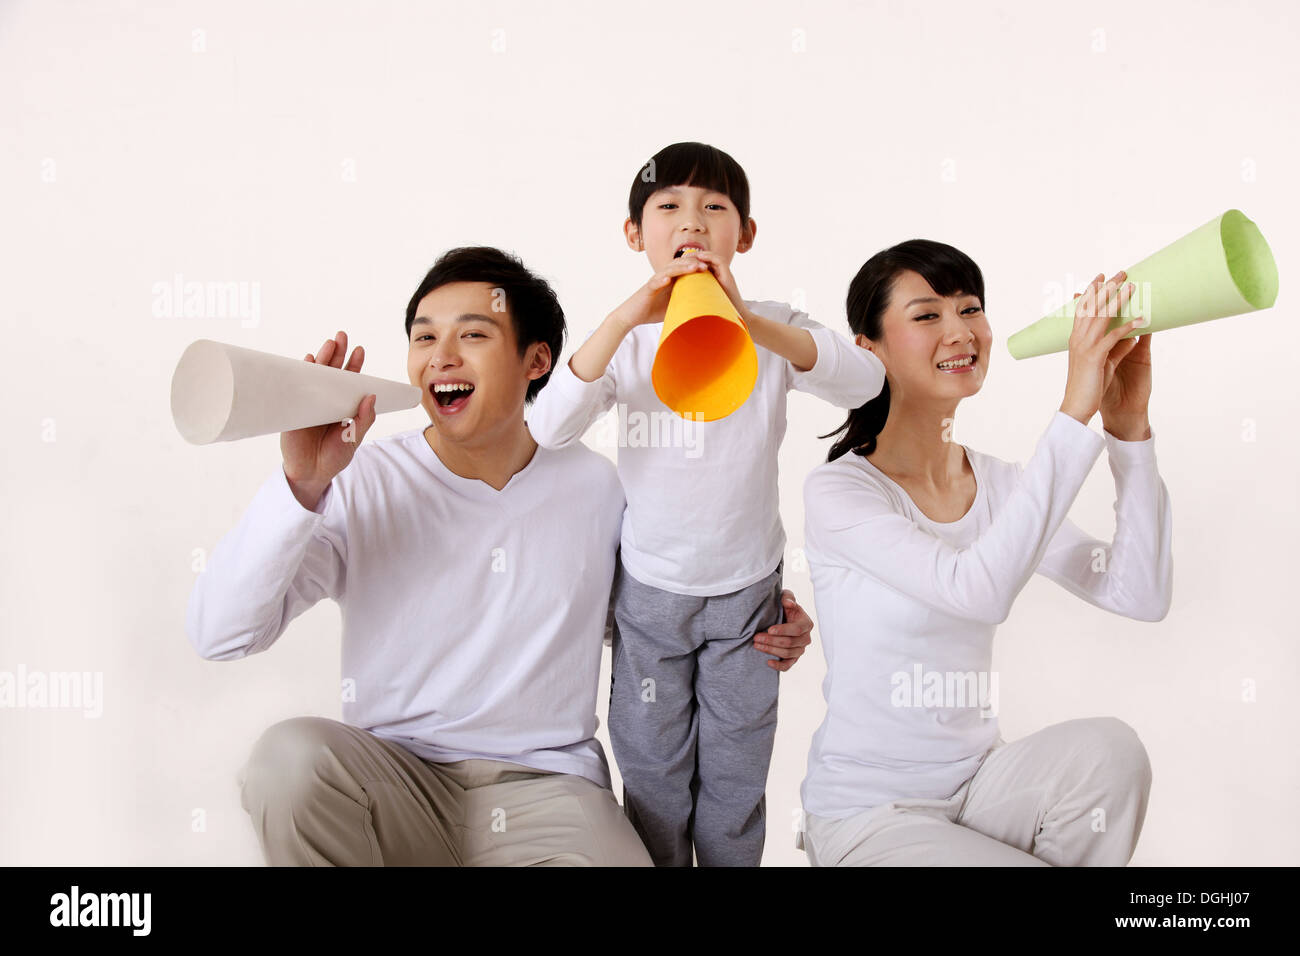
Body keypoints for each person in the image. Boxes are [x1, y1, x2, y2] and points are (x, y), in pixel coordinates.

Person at [185, 245, 816, 866]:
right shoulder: (359, 479)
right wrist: (301, 484)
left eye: (474, 334)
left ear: (536, 361)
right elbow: (221, 634)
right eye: (423, 338)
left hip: (549, 793)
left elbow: (657, 620)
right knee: (286, 761)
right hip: (394, 784)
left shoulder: (599, 489)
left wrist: (754, 622)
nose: (441, 358)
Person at [527, 142, 886, 866]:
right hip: (650, 600)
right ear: (635, 235)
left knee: (734, 781)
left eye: (714, 207)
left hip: (746, 602)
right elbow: (547, 427)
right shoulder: (624, 343)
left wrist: (750, 321)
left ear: (744, 236)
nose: (692, 220)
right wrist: (627, 317)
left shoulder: (773, 327)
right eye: (669, 207)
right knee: (653, 779)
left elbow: (865, 380)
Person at [797, 239, 1173, 866]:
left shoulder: (999, 484)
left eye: (970, 308)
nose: (960, 331)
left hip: (979, 786)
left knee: (1112, 751)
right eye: (926, 316)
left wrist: (1126, 430)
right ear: (869, 348)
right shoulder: (840, 493)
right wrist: (1074, 408)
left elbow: (1138, 592)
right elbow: (978, 589)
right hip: (871, 814)